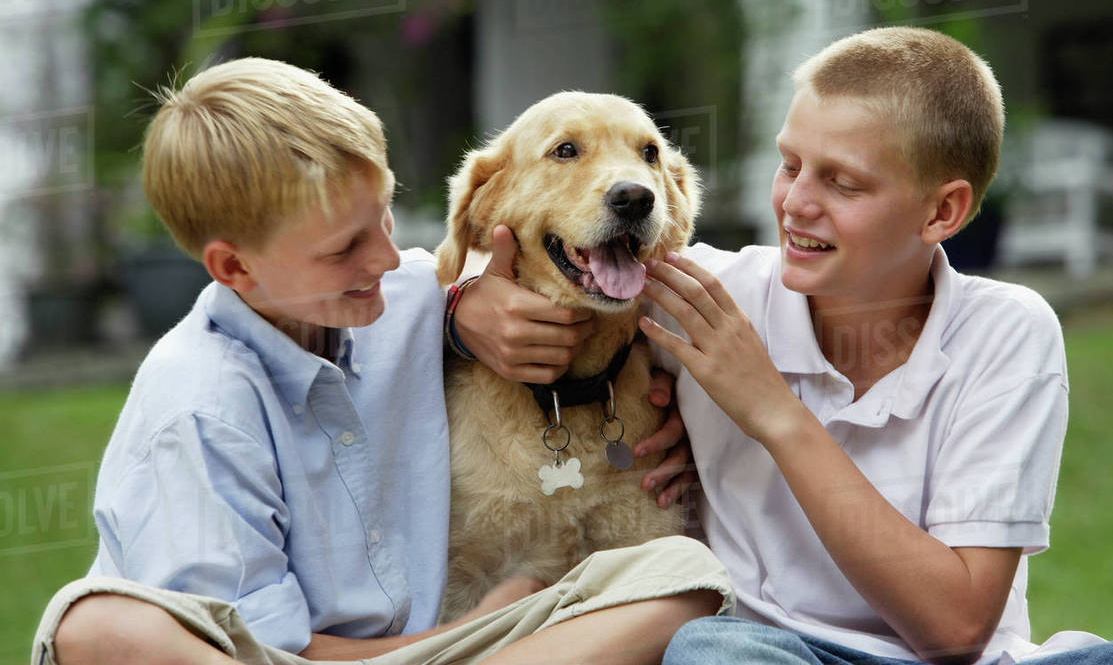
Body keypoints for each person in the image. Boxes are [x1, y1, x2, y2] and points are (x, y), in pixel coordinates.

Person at [32, 58, 732, 665]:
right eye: (345, 248)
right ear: (235, 268)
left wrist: (465, 311)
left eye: (385, 216)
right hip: (318, 658)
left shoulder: (390, 297)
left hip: (465, 641)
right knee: (95, 626)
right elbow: (266, 649)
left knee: (685, 580)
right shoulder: (197, 410)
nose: (389, 259)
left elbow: (453, 284)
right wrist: (489, 621)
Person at [628, 27, 1113, 664]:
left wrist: (774, 414)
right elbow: (548, 272)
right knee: (712, 648)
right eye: (790, 165)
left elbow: (956, 632)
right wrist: (520, 320)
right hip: (773, 653)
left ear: (941, 213)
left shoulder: (1006, 331)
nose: (796, 202)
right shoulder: (708, 299)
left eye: (843, 183)